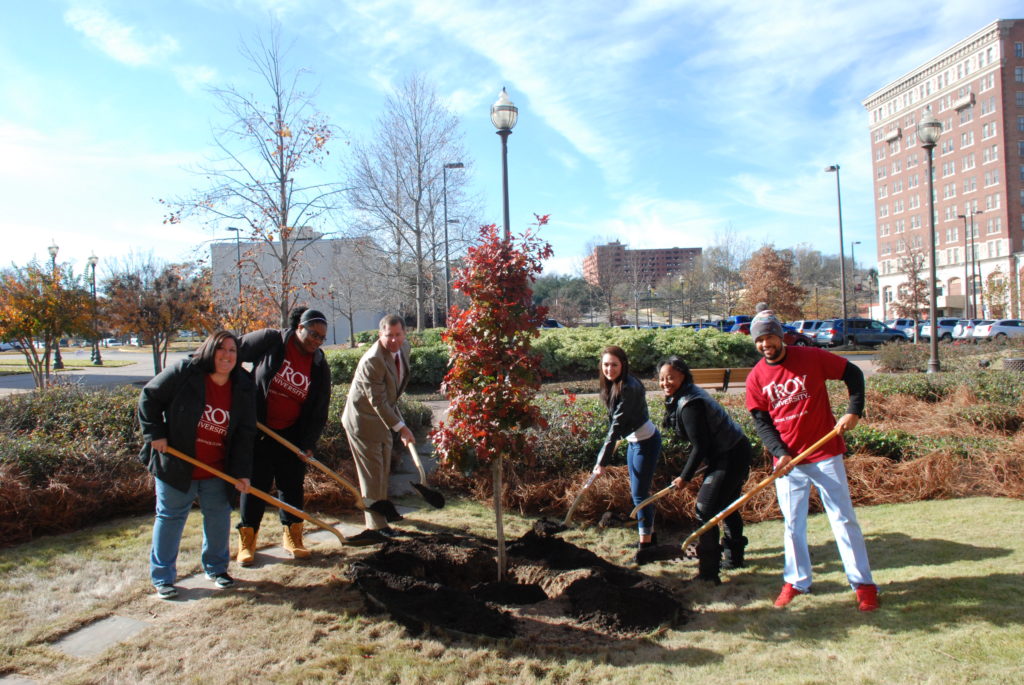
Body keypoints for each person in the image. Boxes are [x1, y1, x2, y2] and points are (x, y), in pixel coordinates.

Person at [744, 310, 879, 612]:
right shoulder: (756, 378)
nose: (766, 343)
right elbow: (762, 422)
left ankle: (863, 585)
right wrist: (780, 454)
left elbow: (853, 374)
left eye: (770, 336)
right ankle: (796, 581)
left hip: (825, 452)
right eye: (760, 339)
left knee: (843, 519)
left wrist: (853, 411)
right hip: (789, 463)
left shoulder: (811, 357)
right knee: (793, 525)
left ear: (780, 336)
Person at [138, 330, 255, 599]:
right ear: (209, 350)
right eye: (221, 349)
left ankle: (216, 569)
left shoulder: (243, 384)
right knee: (170, 518)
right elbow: (149, 397)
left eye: (232, 351)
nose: (227, 355)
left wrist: (241, 473)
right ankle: (163, 578)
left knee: (218, 517)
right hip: (178, 463)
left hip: (217, 467)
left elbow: (245, 432)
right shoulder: (185, 372)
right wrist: (155, 433)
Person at [235, 307, 332, 564]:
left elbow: (319, 408)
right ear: (299, 327)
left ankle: (292, 537)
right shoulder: (272, 341)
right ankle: (248, 541)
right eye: (312, 333)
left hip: (291, 434)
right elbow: (230, 352)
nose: (316, 340)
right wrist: (242, 386)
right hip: (260, 430)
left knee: (291, 486)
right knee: (255, 486)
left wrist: (308, 443)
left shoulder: (319, 364)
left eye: (321, 337)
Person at [659, 356, 752, 584]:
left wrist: (685, 477)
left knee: (705, 509)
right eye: (661, 379)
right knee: (727, 507)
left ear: (683, 375)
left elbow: (701, 445)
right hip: (730, 451)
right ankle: (734, 559)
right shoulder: (684, 395)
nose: (665, 383)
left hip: (730, 453)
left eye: (670, 377)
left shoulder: (690, 403)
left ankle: (709, 572)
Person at [342, 314, 414, 543]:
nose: (394, 340)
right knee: (372, 473)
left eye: (398, 334)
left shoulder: (404, 349)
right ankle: (376, 527)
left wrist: (399, 424)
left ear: (405, 333)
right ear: (379, 335)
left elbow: (391, 395)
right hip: (363, 421)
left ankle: (382, 518)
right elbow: (378, 401)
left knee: (382, 470)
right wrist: (402, 428)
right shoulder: (373, 360)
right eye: (389, 335)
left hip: (382, 418)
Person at [592, 345, 662, 563]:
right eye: (605, 364)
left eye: (614, 364)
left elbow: (616, 426)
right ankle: (650, 538)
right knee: (637, 493)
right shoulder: (613, 385)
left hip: (646, 442)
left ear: (623, 365)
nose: (609, 369)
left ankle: (645, 547)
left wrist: (601, 462)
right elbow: (616, 424)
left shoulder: (629, 387)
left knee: (640, 494)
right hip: (634, 442)